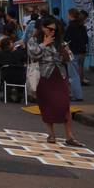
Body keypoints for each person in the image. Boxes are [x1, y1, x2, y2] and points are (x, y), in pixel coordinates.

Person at [27, 17, 83, 146]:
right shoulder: (34, 40)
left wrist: (65, 52)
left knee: (64, 104)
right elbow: (33, 55)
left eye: (55, 30)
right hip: (44, 75)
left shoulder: (59, 41)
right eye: (50, 29)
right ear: (42, 28)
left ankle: (70, 136)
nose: (53, 32)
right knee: (47, 104)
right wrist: (44, 43)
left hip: (60, 74)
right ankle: (51, 134)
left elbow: (70, 57)